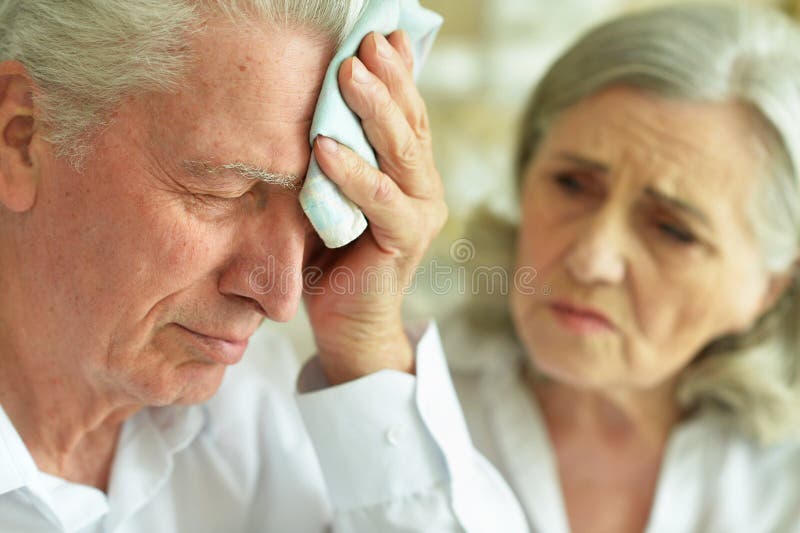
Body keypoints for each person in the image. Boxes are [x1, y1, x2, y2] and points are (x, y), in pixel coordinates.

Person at [0, 1, 528, 532]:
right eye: (223, 190)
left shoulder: (267, 411)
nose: (281, 298)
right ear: (21, 135)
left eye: (319, 211)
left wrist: (367, 348)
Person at [443, 2, 800, 532]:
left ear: (770, 288)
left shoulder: (783, 485)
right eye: (572, 185)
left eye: (673, 230)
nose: (591, 260)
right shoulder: (395, 397)